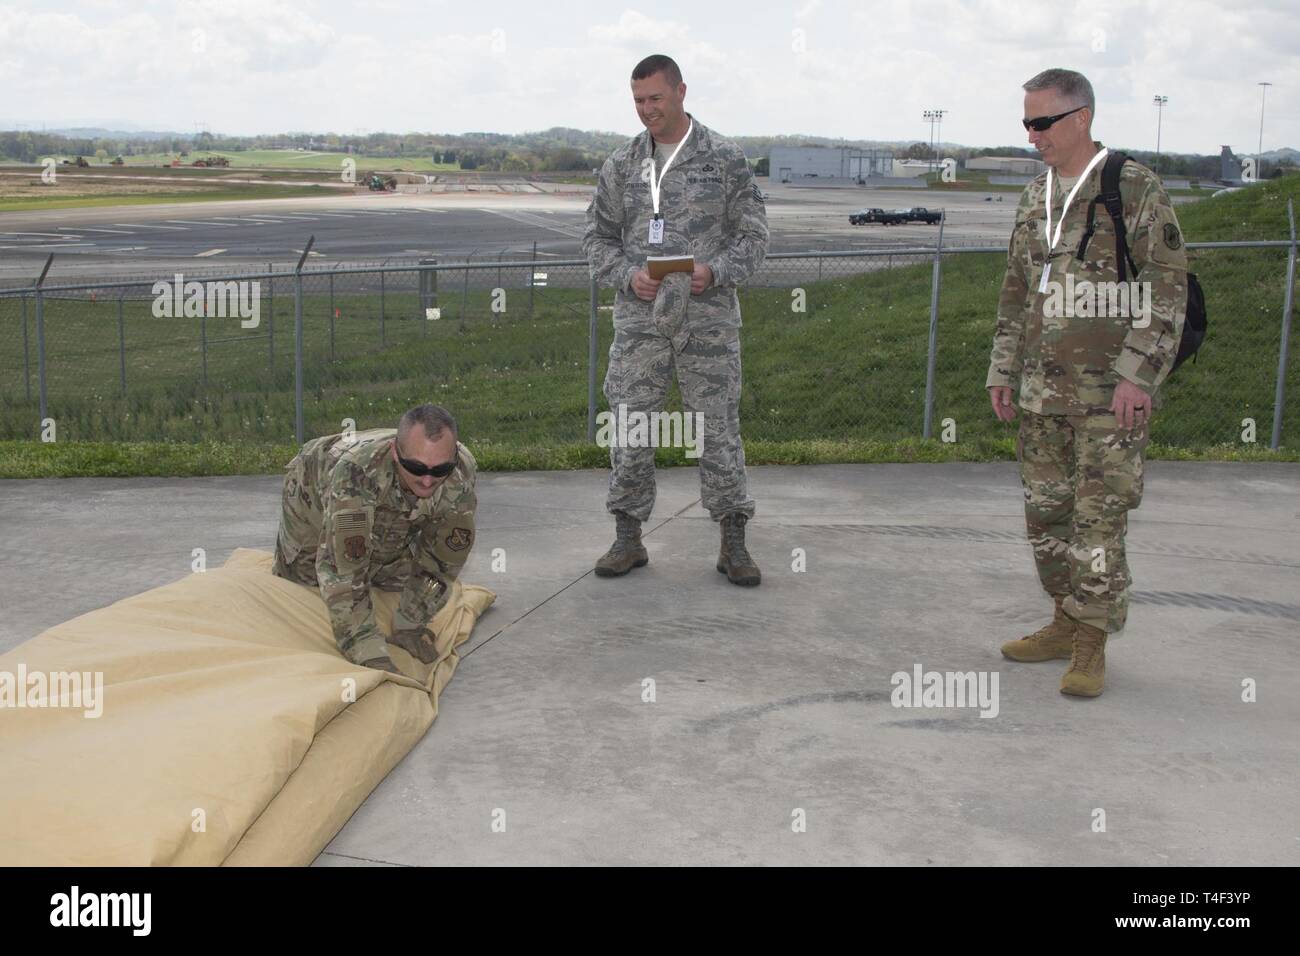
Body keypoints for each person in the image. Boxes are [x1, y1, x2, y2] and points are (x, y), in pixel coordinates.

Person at [986, 68, 1188, 697]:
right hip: (1042, 390)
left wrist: (1138, 376)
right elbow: (1016, 292)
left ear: (1080, 119)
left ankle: (1091, 642)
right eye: (1025, 122)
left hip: (1108, 396)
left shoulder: (1131, 187)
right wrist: (1002, 368)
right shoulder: (1034, 197)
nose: (1031, 135)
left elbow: (1167, 289)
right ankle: (1061, 620)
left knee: (1098, 524)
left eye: (1041, 122)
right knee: (1047, 519)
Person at [583, 53, 769, 586]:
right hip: (641, 322)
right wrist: (626, 275)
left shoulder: (725, 159)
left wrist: (717, 270)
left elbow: (755, 237)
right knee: (629, 427)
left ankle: (733, 541)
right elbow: (596, 239)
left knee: (716, 430)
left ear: (681, 92)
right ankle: (627, 538)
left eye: (656, 99)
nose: (647, 110)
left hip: (707, 322)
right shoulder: (622, 164)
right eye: (638, 101)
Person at [271, 404, 477, 672]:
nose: (428, 480)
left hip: (384, 493)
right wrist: (369, 652)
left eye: (439, 470)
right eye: (416, 467)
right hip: (313, 489)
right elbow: (342, 572)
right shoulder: (356, 473)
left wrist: (411, 624)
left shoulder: (460, 470)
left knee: (393, 579)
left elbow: (445, 558)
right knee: (306, 578)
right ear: (395, 452)